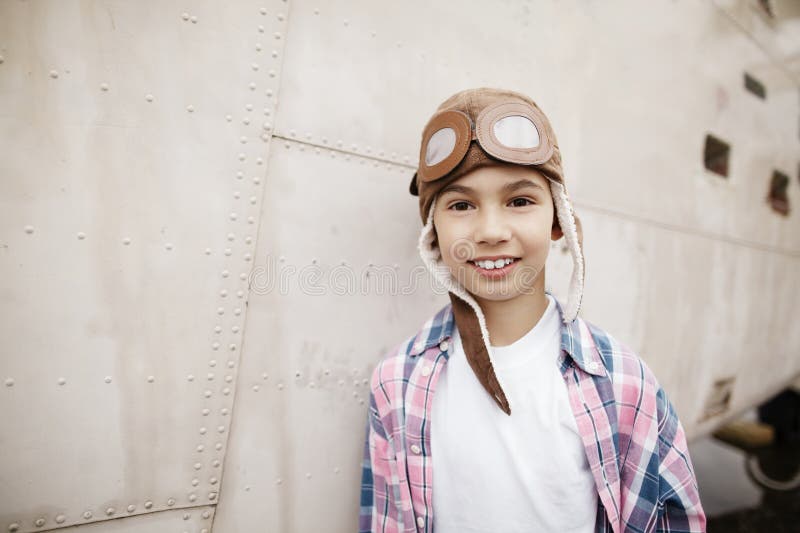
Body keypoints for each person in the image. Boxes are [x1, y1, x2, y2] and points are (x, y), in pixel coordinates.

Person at [358, 88, 706, 533]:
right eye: (461, 205)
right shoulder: (397, 381)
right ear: (433, 233)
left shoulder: (623, 384)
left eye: (520, 201)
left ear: (559, 219)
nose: (491, 231)